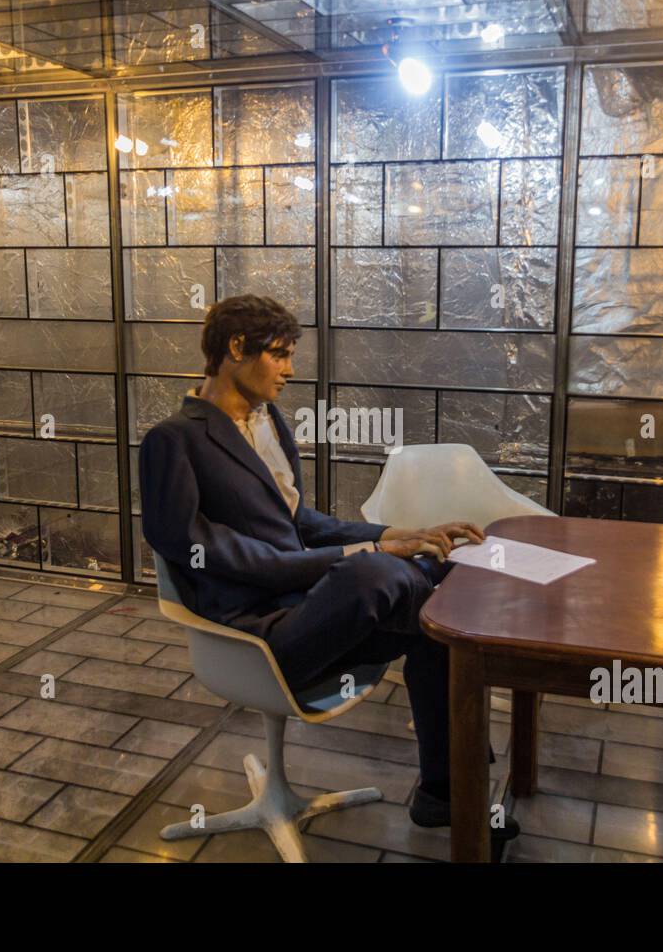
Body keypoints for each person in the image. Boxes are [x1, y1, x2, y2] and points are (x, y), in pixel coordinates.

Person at [138, 294, 519, 847]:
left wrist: (391, 536)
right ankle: (419, 589)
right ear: (235, 349)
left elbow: (301, 522)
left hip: (311, 609)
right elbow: (209, 552)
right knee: (376, 576)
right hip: (256, 634)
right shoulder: (174, 440)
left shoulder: (267, 423)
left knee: (440, 618)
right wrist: (363, 558)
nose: (290, 370)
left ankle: (445, 795)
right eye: (279, 355)